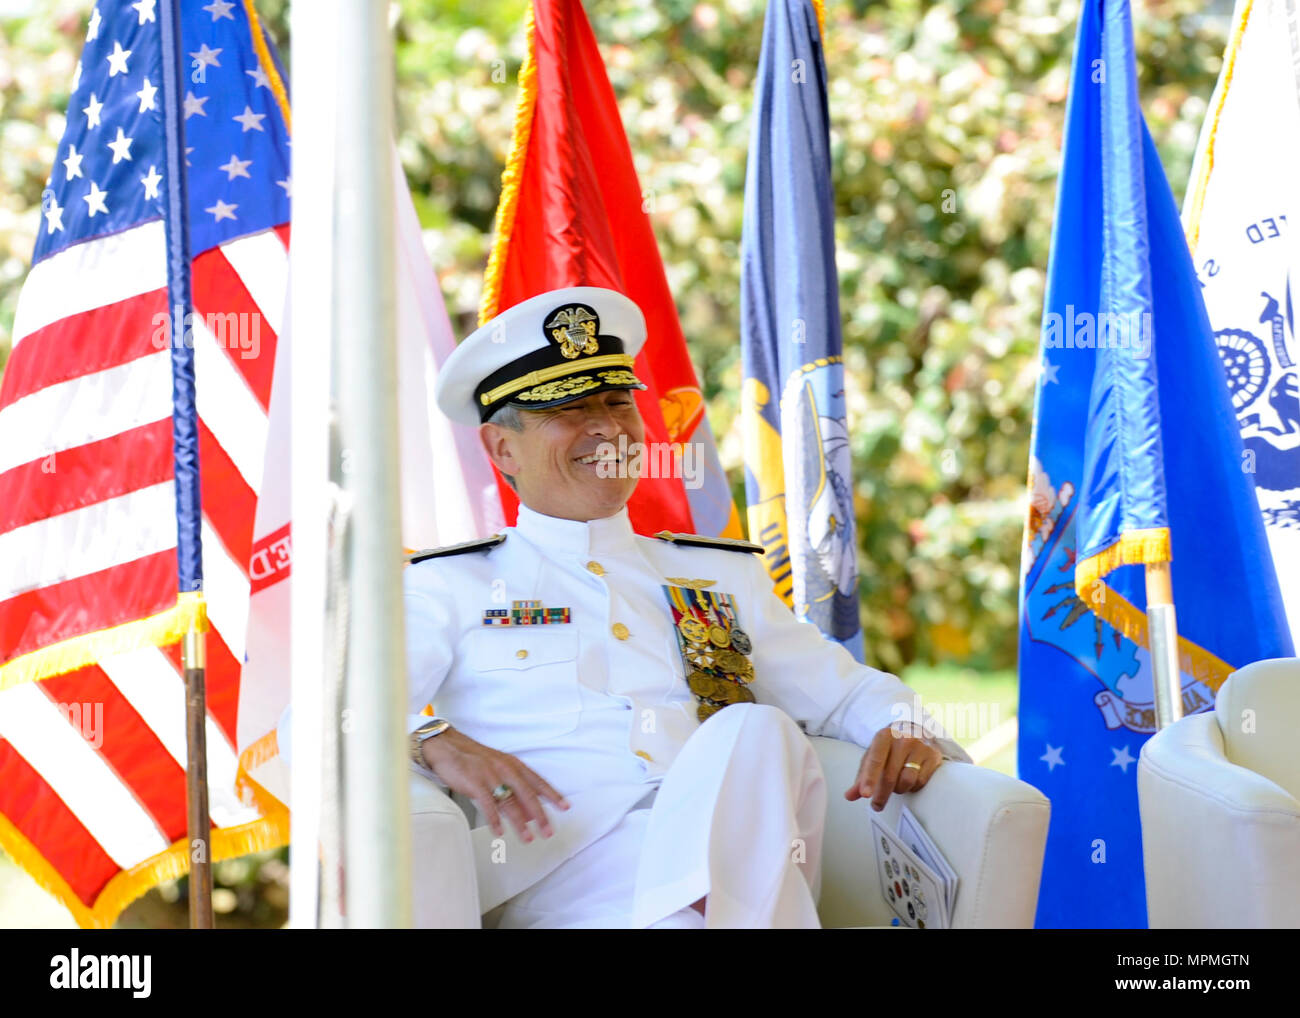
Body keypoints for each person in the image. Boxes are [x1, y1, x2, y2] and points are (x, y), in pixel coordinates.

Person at [405, 285, 970, 929]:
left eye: (619, 402)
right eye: (570, 409)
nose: (607, 427)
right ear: (501, 448)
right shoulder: (452, 586)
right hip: (566, 884)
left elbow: (844, 695)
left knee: (752, 729)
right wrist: (429, 737)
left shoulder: (717, 573)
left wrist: (905, 725)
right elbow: (320, 719)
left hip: (736, 866)